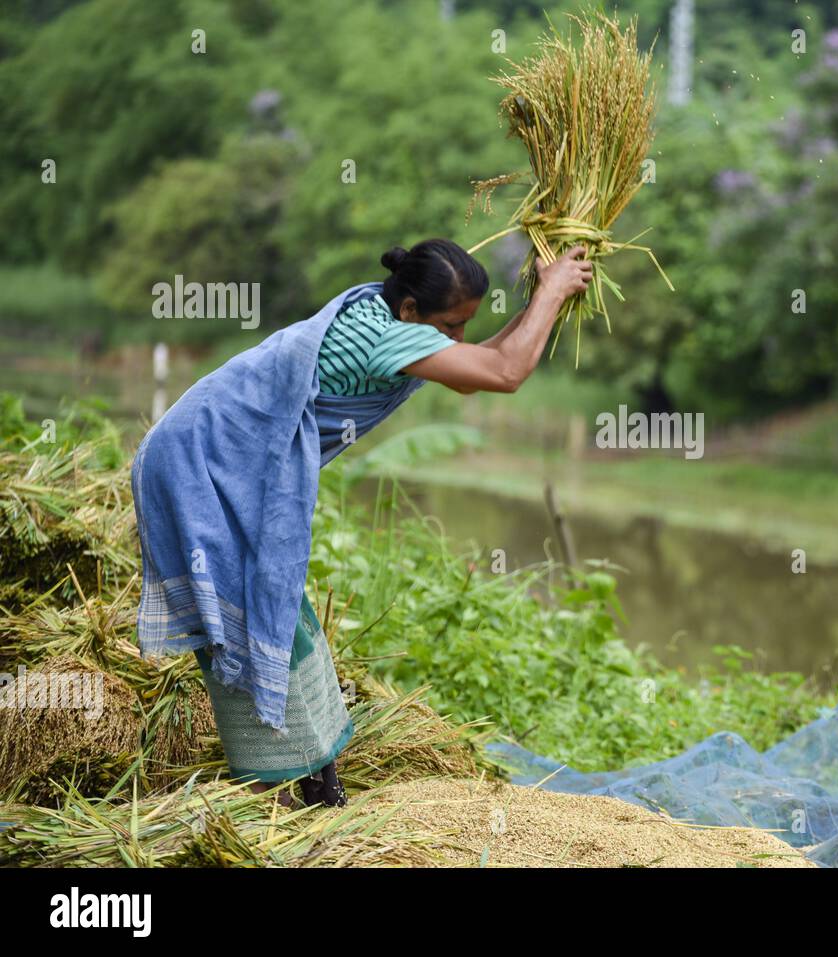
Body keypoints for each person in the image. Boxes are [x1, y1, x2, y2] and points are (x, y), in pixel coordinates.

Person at [131, 239, 592, 807]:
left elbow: (477, 371)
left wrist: (538, 303)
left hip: (227, 454)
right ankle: (277, 785)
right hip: (201, 459)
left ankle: (313, 774)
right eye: (453, 325)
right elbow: (505, 371)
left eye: (465, 326)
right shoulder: (380, 336)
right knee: (252, 620)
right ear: (410, 313)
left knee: (279, 610)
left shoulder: (391, 317)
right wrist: (550, 292)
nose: (459, 340)